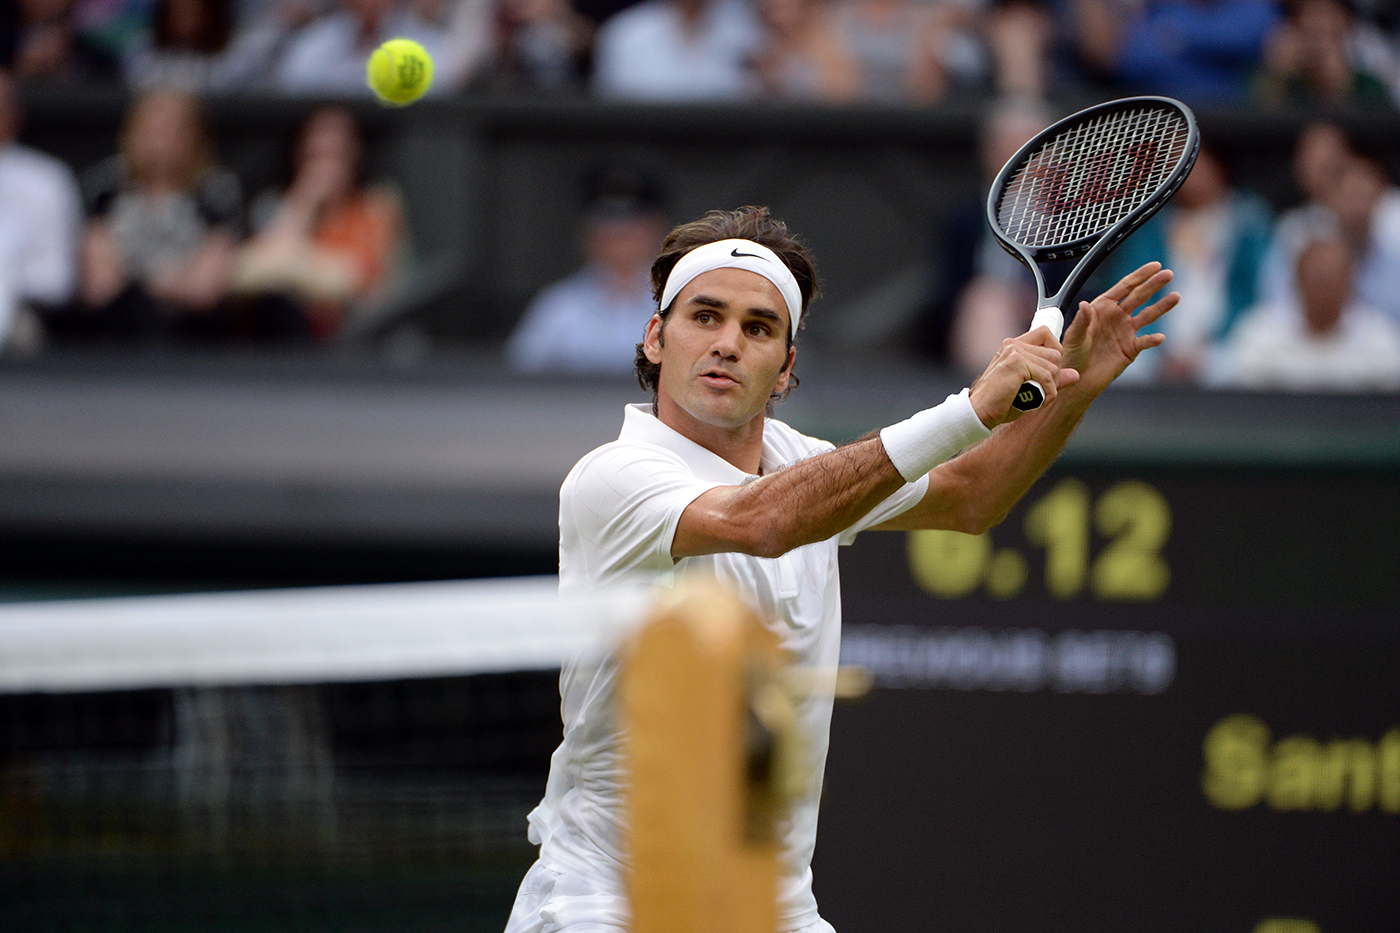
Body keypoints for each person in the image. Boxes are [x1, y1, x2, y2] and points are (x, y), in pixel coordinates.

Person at [503, 204, 1178, 933]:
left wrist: (1072, 386)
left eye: (758, 328)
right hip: (605, 901)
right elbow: (759, 521)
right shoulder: (614, 477)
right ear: (656, 338)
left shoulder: (803, 463)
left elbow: (970, 496)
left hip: (773, 909)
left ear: (786, 368)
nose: (727, 343)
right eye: (705, 316)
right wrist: (971, 408)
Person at [77, 88, 243, 340]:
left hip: (189, 329)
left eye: (175, 132)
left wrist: (142, 286)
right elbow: (99, 287)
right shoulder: (104, 187)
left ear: (197, 138)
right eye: (154, 131)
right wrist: (155, 290)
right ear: (132, 133)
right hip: (116, 326)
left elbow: (204, 289)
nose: (163, 143)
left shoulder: (216, 193)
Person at [231, 105, 406, 341]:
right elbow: (247, 274)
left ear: (355, 154)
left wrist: (292, 267)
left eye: (336, 155)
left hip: (350, 338)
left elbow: (365, 283)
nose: (327, 168)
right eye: (317, 156)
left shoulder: (375, 206)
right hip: (278, 336)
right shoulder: (275, 204)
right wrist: (305, 199)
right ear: (299, 155)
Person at [506, 166, 668, 373]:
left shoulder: (677, 302)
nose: (621, 242)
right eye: (609, 232)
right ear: (587, 235)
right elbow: (517, 380)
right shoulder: (559, 306)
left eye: (632, 232)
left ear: (658, 230)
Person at [1207, 234, 1400, 391]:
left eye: (1333, 280)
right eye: (1318, 279)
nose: (1325, 289)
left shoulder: (1380, 337)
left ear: (1350, 283)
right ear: (1297, 281)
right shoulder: (1259, 332)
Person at [0, 67, 83, 352]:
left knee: (26, 331)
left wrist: (5, 280)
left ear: (15, 115)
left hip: (18, 315)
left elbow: (57, 280)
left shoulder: (46, 180)